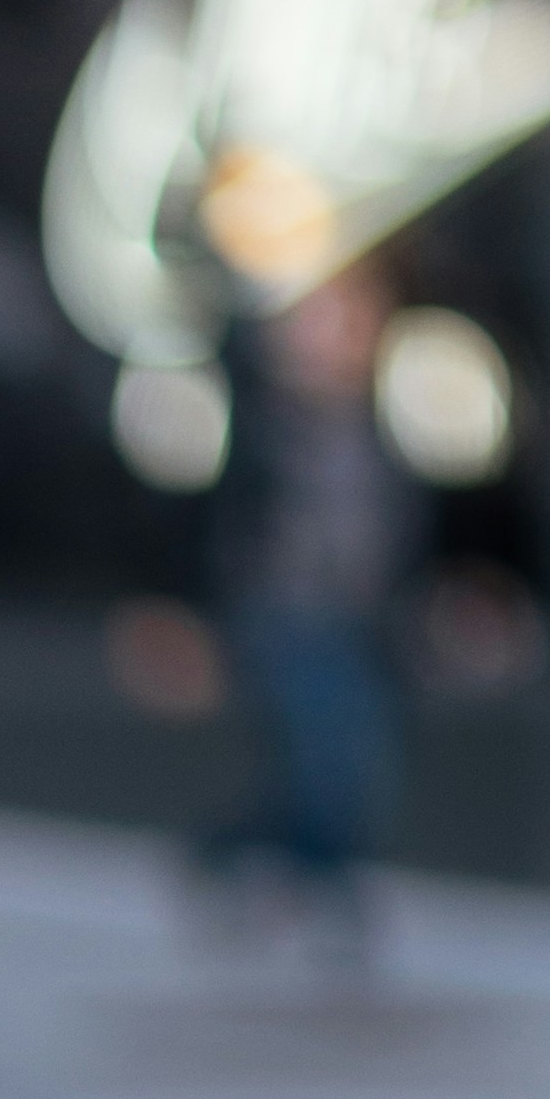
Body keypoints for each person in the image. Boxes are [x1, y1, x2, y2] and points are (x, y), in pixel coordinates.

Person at [191, 259, 418, 948]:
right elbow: (214, 525)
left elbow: (407, 530)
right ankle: (323, 887)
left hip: (361, 623)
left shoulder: (381, 427)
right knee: (329, 756)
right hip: (284, 614)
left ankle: (252, 861)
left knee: (351, 761)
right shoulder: (264, 426)